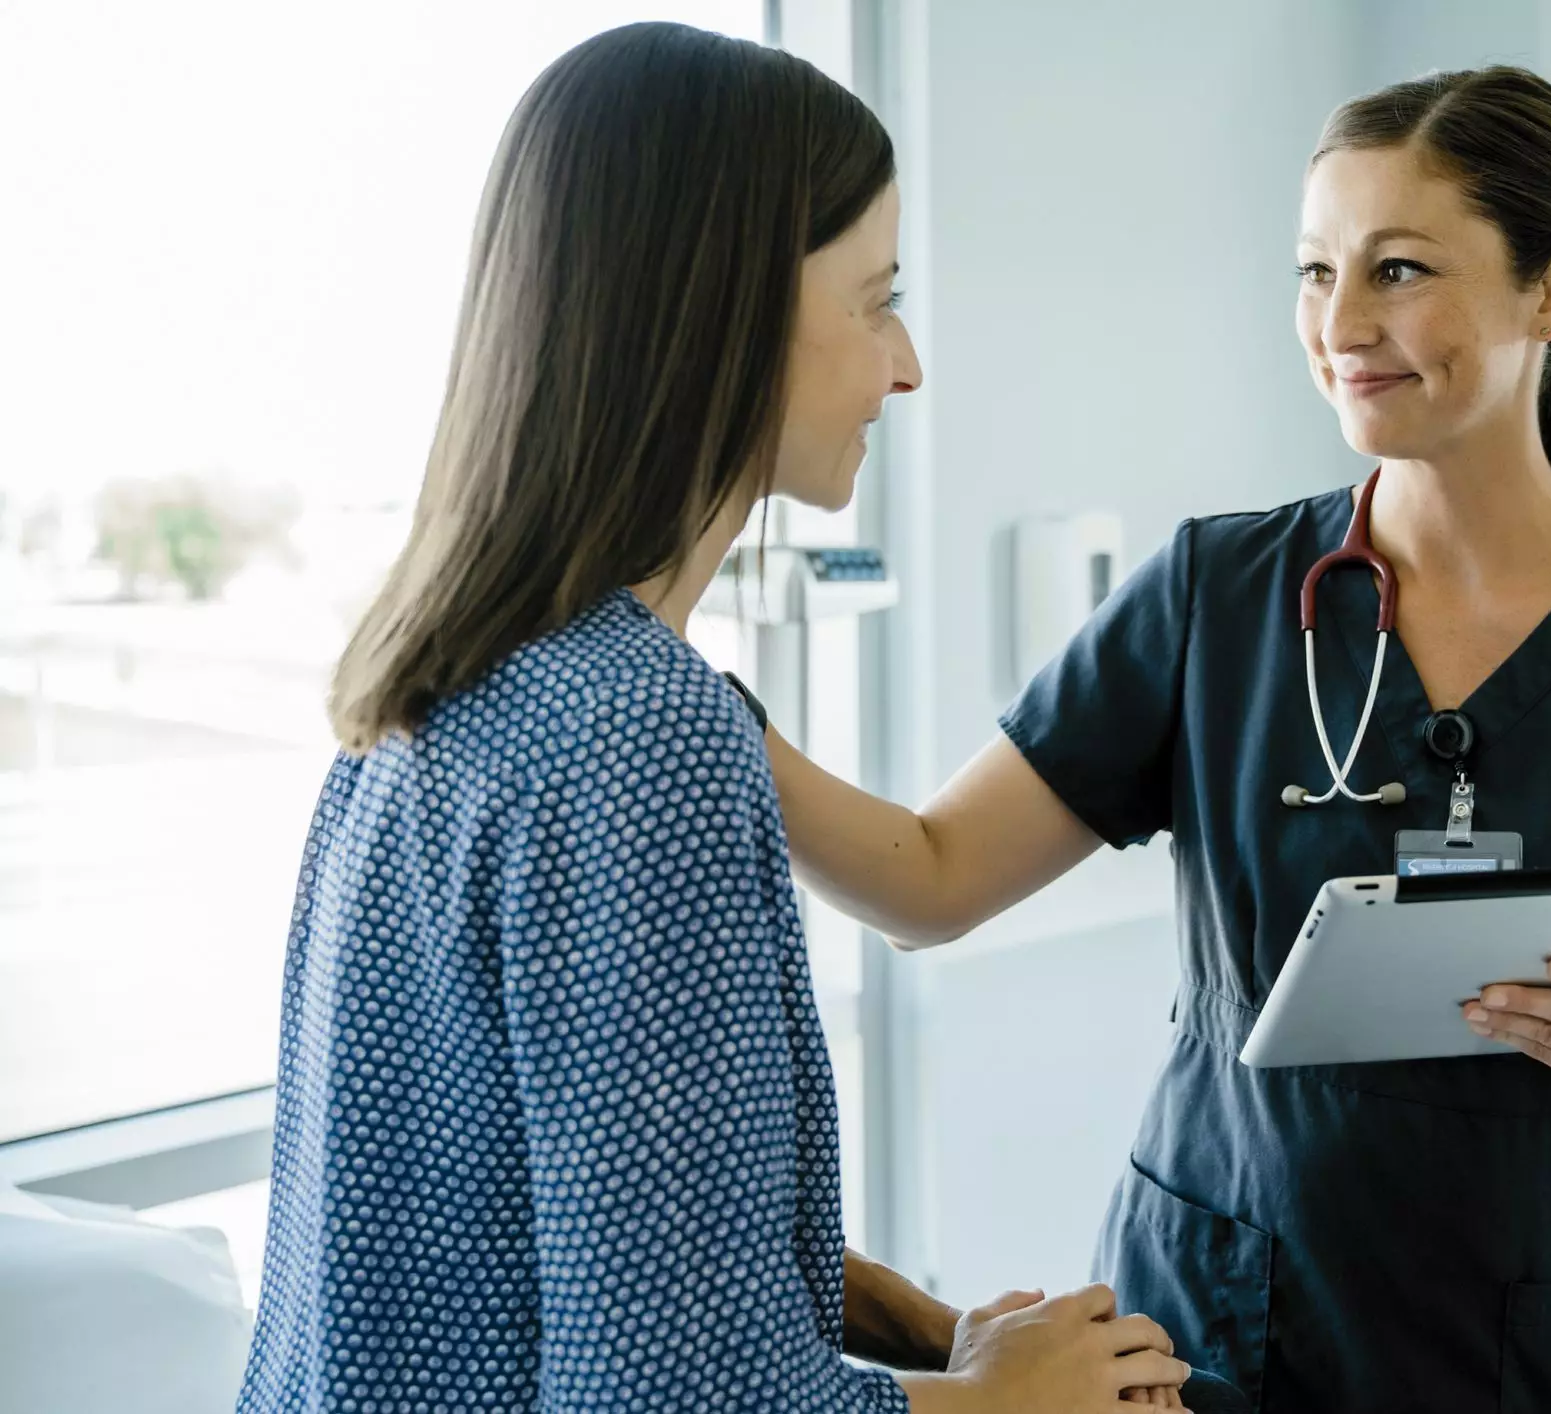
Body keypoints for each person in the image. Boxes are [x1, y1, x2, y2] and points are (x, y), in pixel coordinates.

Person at [762, 67, 1551, 1411]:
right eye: (1313, 270)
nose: (1341, 322)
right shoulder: (1216, 596)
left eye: (1398, 269)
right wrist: (715, 714)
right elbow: (927, 880)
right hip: (1230, 1319)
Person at [235, 23, 1192, 1413]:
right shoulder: (643, 735)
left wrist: (927, 1328)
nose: (908, 365)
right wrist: (1004, 1402)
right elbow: (681, 1396)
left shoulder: (439, 682)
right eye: (877, 301)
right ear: (724, 310)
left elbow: (589, 1216)